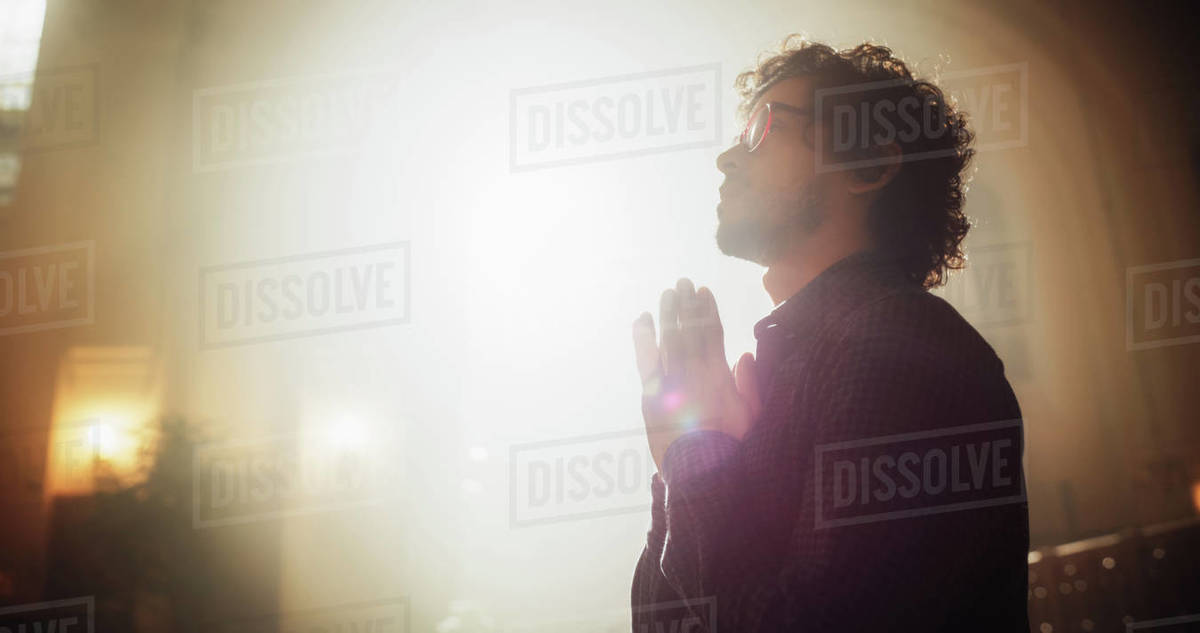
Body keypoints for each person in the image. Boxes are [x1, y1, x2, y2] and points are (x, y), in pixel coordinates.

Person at [630, 38, 1029, 632]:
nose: (728, 158)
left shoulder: (904, 350)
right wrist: (685, 459)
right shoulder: (797, 362)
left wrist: (692, 460)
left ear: (869, 164)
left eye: (764, 127)